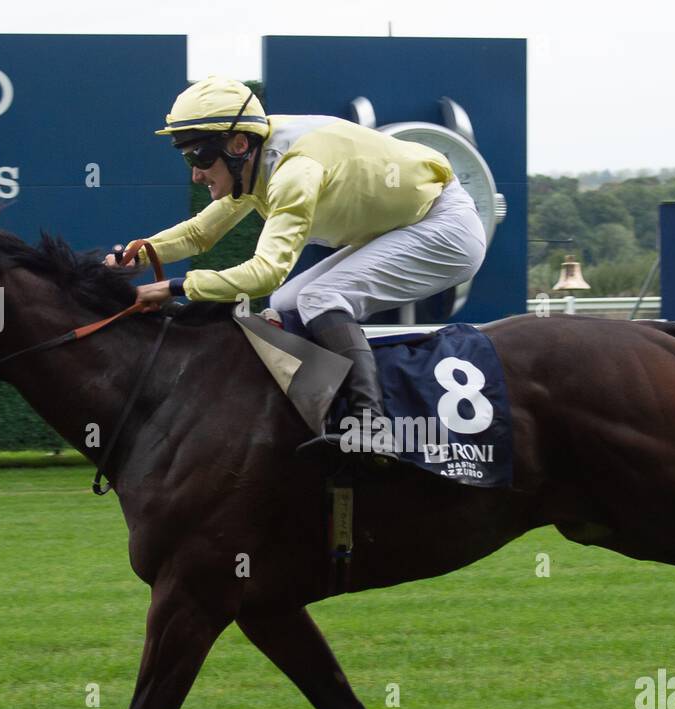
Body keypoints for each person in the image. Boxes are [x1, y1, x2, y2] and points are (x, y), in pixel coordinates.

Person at [107, 76, 487, 456]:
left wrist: (172, 287)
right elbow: (199, 234)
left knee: (320, 296)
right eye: (187, 158)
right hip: (408, 221)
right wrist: (137, 256)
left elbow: (265, 271)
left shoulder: (294, 171)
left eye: (200, 157)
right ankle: (321, 414)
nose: (196, 173)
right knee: (288, 302)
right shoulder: (254, 156)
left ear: (238, 144)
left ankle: (370, 425)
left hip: (446, 228)